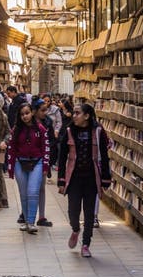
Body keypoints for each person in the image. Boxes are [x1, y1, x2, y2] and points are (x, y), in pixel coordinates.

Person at [58, 102, 111, 258]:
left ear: (87, 116)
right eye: (74, 113)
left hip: (91, 179)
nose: (74, 116)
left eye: (77, 113)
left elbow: (104, 156)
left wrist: (106, 178)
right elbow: (62, 157)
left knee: (89, 214)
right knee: (73, 211)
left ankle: (86, 244)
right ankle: (75, 229)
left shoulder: (97, 132)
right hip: (74, 178)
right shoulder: (69, 131)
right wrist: (61, 179)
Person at [8, 102, 49, 234]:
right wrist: (11, 167)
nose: (25, 116)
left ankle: (31, 222)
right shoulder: (15, 130)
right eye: (22, 114)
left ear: (32, 113)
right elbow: (12, 149)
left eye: (27, 113)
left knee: (32, 192)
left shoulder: (41, 129)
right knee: (24, 194)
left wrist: (45, 166)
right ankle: (26, 221)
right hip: (20, 163)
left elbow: (45, 149)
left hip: (37, 162)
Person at [31, 97, 55, 227]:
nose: (45, 113)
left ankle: (41, 216)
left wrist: (46, 154)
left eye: (46, 110)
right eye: (42, 110)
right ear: (34, 111)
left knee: (41, 188)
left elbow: (52, 141)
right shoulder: (27, 122)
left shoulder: (48, 123)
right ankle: (27, 214)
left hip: (42, 159)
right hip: (28, 160)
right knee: (30, 190)